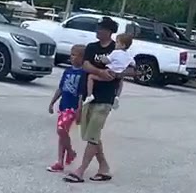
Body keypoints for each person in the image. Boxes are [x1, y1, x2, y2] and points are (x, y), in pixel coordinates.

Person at [65, 17, 125, 183]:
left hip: (105, 97)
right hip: (88, 96)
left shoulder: (117, 49)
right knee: (91, 134)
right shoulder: (92, 47)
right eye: (97, 27)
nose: (97, 30)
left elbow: (128, 69)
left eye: (101, 28)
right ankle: (104, 168)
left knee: (92, 135)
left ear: (109, 31)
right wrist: (100, 72)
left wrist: (116, 74)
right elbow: (85, 65)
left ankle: (80, 171)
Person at [47, 44, 87, 173]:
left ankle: (70, 152)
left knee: (61, 130)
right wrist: (52, 102)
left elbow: (82, 93)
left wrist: (79, 109)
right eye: (71, 54)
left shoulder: (83, 73)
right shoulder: (67, 71)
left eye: (75, 55)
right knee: (62, 133)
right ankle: (60, 161)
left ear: (82, 58)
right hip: (64, 105)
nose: (72, 57)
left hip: (73, 108)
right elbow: (61, 88)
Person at [86, 32, 134, 108]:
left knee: (91, 77)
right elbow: (133, 63)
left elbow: (107, 60)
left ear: (123, 45)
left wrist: (102, 59)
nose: (115, 44)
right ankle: (117, 96)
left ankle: (89, 95)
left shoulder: (115, 52)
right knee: (120, 82)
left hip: (110, 73)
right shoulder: (128, 55)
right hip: (119, 74)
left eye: (117, 42)